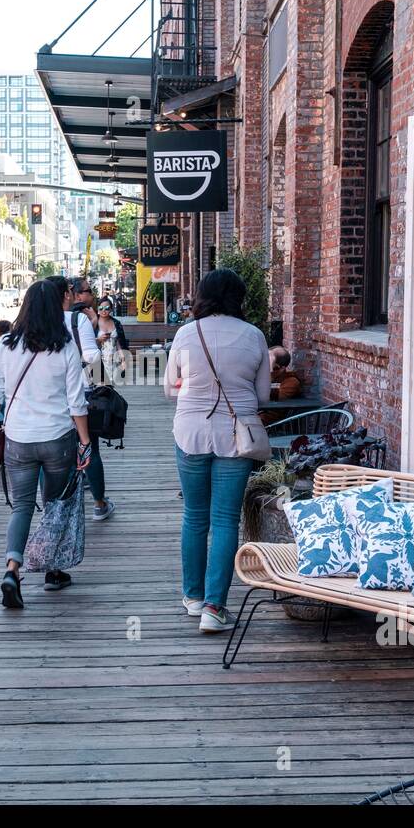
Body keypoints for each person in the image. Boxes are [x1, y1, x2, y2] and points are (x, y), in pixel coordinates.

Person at [165, 268, 269, 633]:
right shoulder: (254, 336)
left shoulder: (185, 333)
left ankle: (192, 596)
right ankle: (214, 607)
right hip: (236, 434)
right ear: (239, 297)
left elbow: (169, 388)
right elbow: (263, 396)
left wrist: (196, 393)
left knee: (195, 516)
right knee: (226, 519)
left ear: (202, 295)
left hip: (190, 431)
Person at [0, 281, 92, 608]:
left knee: (22, 506)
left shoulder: (4, 344)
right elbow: (77, 403)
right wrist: (85, 442)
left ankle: (12, 570)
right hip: (57, 438)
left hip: (18, 439)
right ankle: (52, 571)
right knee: (55, 505)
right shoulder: (66, 347)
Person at [46, 275, 116, 522]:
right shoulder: (78, 320)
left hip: (50, 396)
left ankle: (54, 508)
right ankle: (99, 504)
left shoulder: (38, 321)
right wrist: (103, 383)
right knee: (90, 448)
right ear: (66, 294)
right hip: (82, 391)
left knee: (54, 452)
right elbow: (92, 358)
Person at [94, 297, 129, 384]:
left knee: (112, 387)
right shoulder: (94, 323)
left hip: (114, 360)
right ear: (98, 309)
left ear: (111, 309)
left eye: (107, 308)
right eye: (101, 308)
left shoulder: (116, 323)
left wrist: (123, 359)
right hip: (98, 359)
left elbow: (119, 342)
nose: (104, 311)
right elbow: (87, 343)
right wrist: (99, 339)